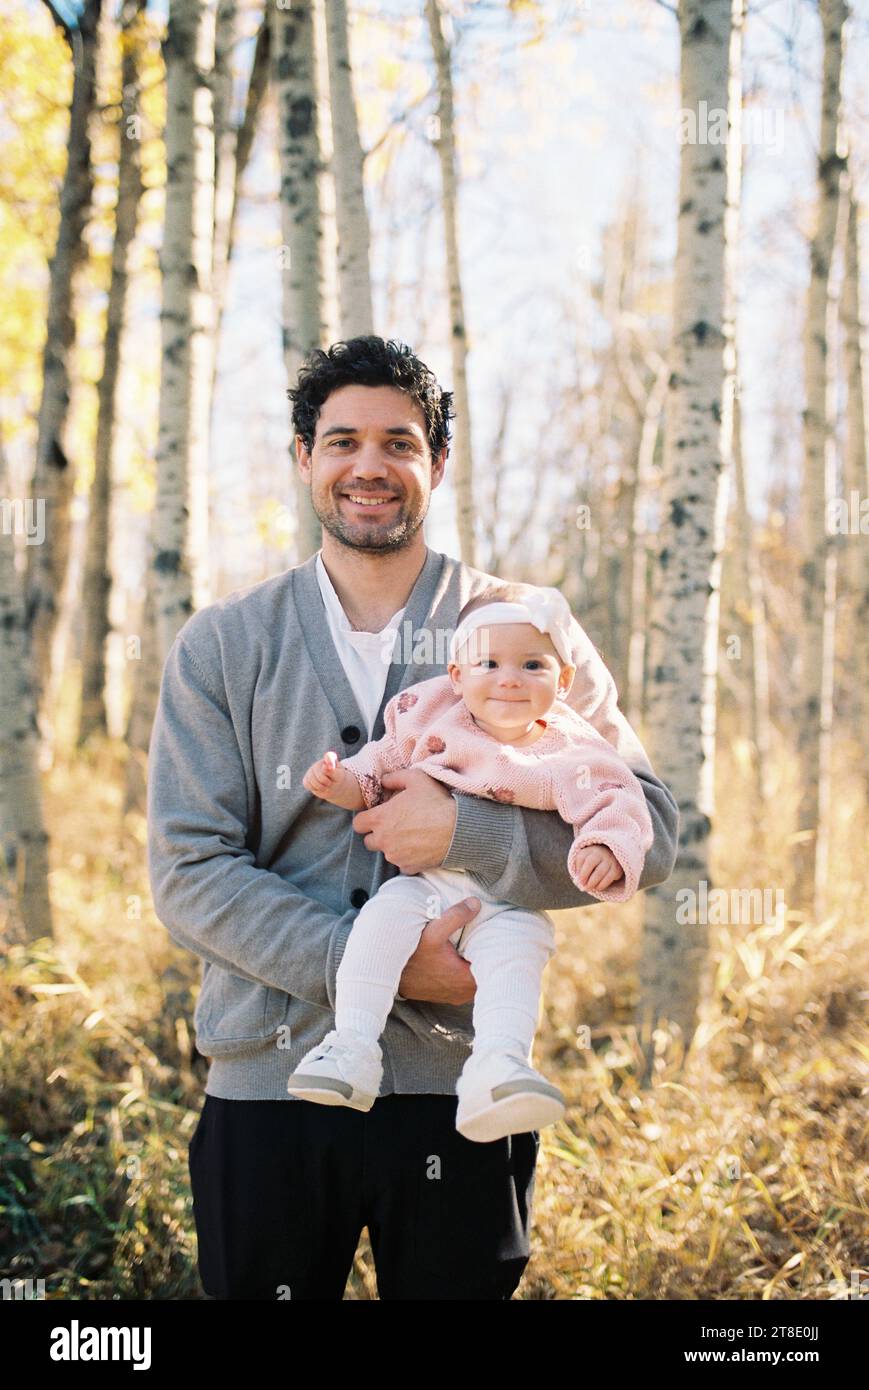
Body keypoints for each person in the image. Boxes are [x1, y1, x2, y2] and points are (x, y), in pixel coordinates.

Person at [147, 335, 679, 1300]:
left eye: (398, 442)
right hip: (274, 1084)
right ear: (303, 459)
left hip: (459, 1092)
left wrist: (468, 838)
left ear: (436, 463)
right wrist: (378, 963)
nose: (368, 466)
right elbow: (188, 869)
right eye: (341, 440)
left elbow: (645, 826)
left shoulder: (527, 630)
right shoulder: (225, 643)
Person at [287, 582, 654, 1143]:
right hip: (426, 886)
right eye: (489, 663)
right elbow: (378, 767)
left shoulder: (569, 748)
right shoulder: (433, 721)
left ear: (562, 681)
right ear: (457, 676)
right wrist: (341, 783)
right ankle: (352, 1046)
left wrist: (606, 845)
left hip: (510, 900)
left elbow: (618, 800)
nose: (509, 678)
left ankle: (499, 1067)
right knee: (379, 924)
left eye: (532, 665)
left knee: (517, 957)